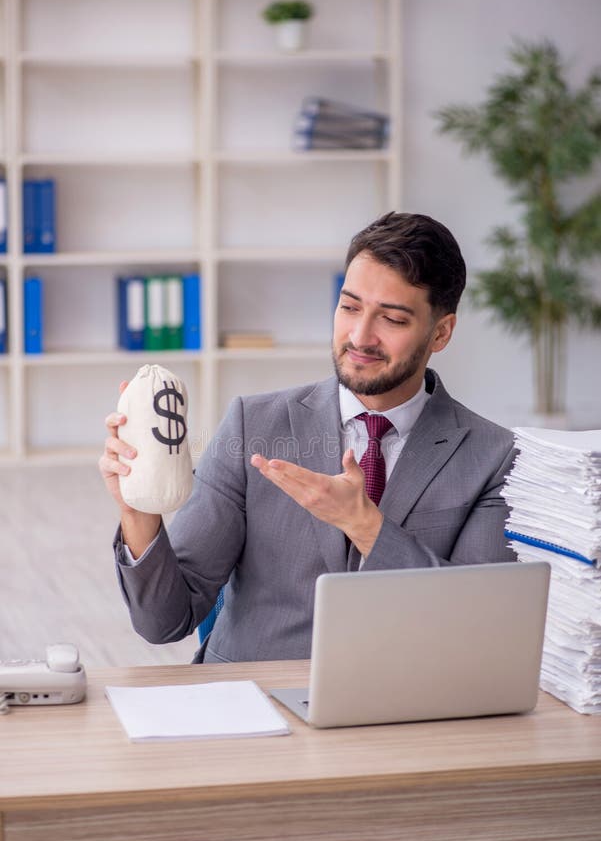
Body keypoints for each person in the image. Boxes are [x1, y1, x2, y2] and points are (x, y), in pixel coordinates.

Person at [100, 212, 516, 663]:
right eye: (350, 306)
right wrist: (136, 512)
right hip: (253, 699)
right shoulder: (252, 425)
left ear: (441, 332)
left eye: (392, 319)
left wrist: (365, 525)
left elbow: (476, 624)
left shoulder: (492, 457)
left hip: (402, 705)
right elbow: (166, 622)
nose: (359, 336)